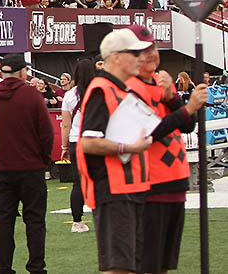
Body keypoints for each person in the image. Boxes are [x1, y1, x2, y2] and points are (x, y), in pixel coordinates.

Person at [124, 24, 208, 274]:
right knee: (149, 264)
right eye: (143, 51)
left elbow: (187, 127)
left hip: (175, 183)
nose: (151, 54)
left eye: (154, 48)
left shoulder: (160, 82)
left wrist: (172, 97)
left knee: (164, 263)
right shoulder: (130, 89)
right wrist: (187, 107)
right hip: (151, 185)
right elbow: (151, 132)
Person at [76, 28, 157, 274]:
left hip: (131, 187)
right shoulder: (102, 88)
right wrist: (129, 147)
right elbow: (88, 142)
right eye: (134, 53)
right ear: (116, 56)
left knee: (133, 264)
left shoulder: (120, 88)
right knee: (120, 266)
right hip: (114, 190)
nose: (140, 58)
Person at [0, 54, 54, 274]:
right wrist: (44, 160)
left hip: (2, 168)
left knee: (5, 220)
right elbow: (46, 132)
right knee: (35, 220)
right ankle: (36, 267)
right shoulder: (31, 95)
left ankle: (4, 267)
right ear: (22, 72)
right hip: (31, 167)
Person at [61, 58, 97, 233]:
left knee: (79, 182)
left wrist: (64, 147)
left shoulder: (69, 95)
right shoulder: (98, 91)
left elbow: (66, 124)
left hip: (76, 141)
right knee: (100, 180)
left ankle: (77, 222)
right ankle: (102, 217)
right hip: (97, 140)